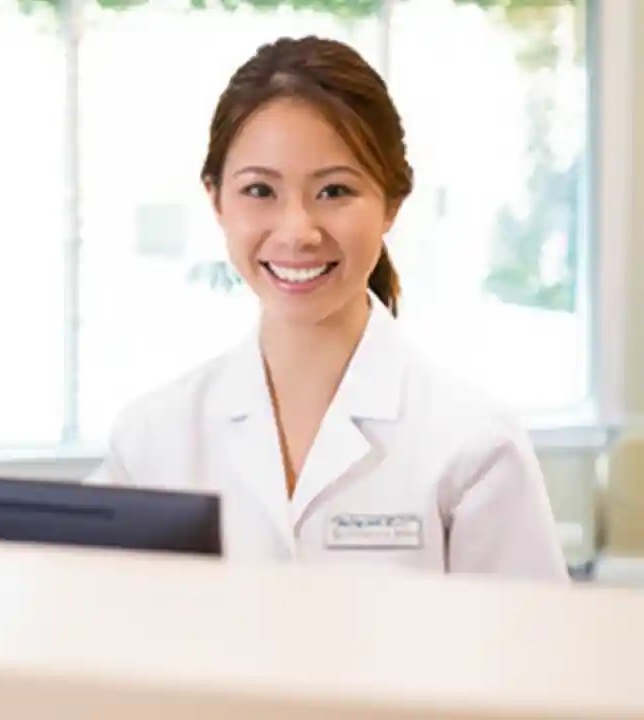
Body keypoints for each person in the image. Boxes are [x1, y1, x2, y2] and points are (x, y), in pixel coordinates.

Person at [87, 36, 568, 583]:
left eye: (335, 190)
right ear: (215, 199)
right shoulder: (153, 438)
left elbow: (534, 658)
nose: (297, 232)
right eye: (260, 190)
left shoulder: (475, 444)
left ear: (391, 204)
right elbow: (90, 628)